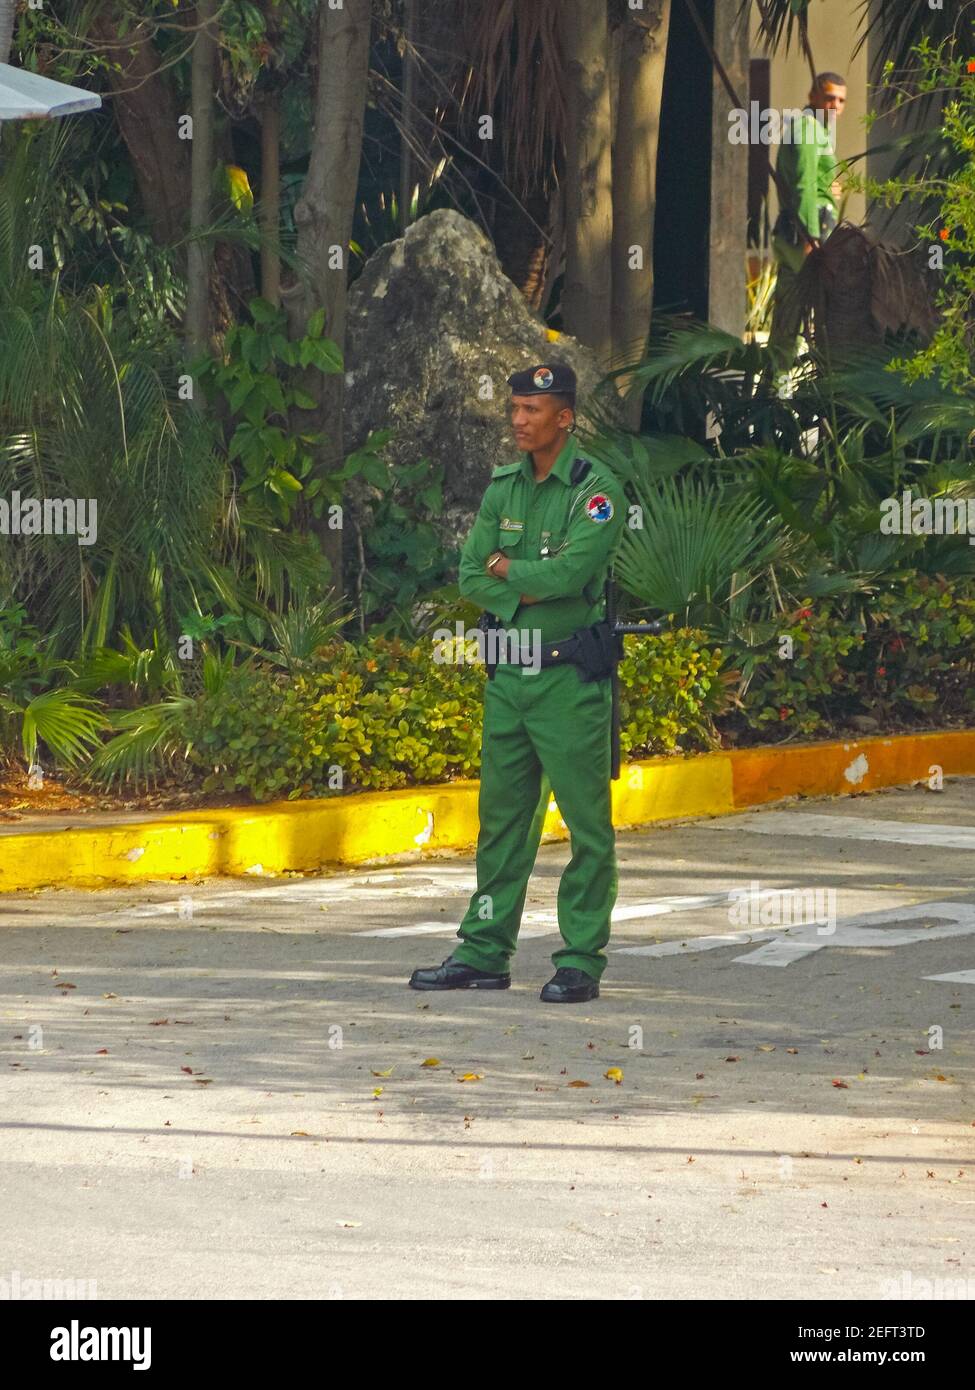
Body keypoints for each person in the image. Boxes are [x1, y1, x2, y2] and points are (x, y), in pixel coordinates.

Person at [409, 363, 625, 1003]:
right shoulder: (503, 486)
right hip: (507, 677)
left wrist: (509, 570)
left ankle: (580, 960)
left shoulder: (596, 492)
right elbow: (471, 574)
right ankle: (483, 952)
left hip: (568, 682)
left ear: (565, 416)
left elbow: (570, 576)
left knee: (587, 828)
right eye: (515, 409)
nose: (519, 420)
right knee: (501, 825)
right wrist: (518, 576)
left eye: (533, 409)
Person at [769, 71, 847, 352]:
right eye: (828, 98)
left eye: (840, 100)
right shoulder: (808, 129)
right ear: (813, 97)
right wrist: (810, 240)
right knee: (794, 317)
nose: (835, 106)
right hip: (806, 235)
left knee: (796, 315)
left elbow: (814, 181)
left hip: (810, 232)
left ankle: (781, 383)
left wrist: (831, 187)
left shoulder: (816, 129)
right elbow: (804, 187)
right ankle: (781, 386)